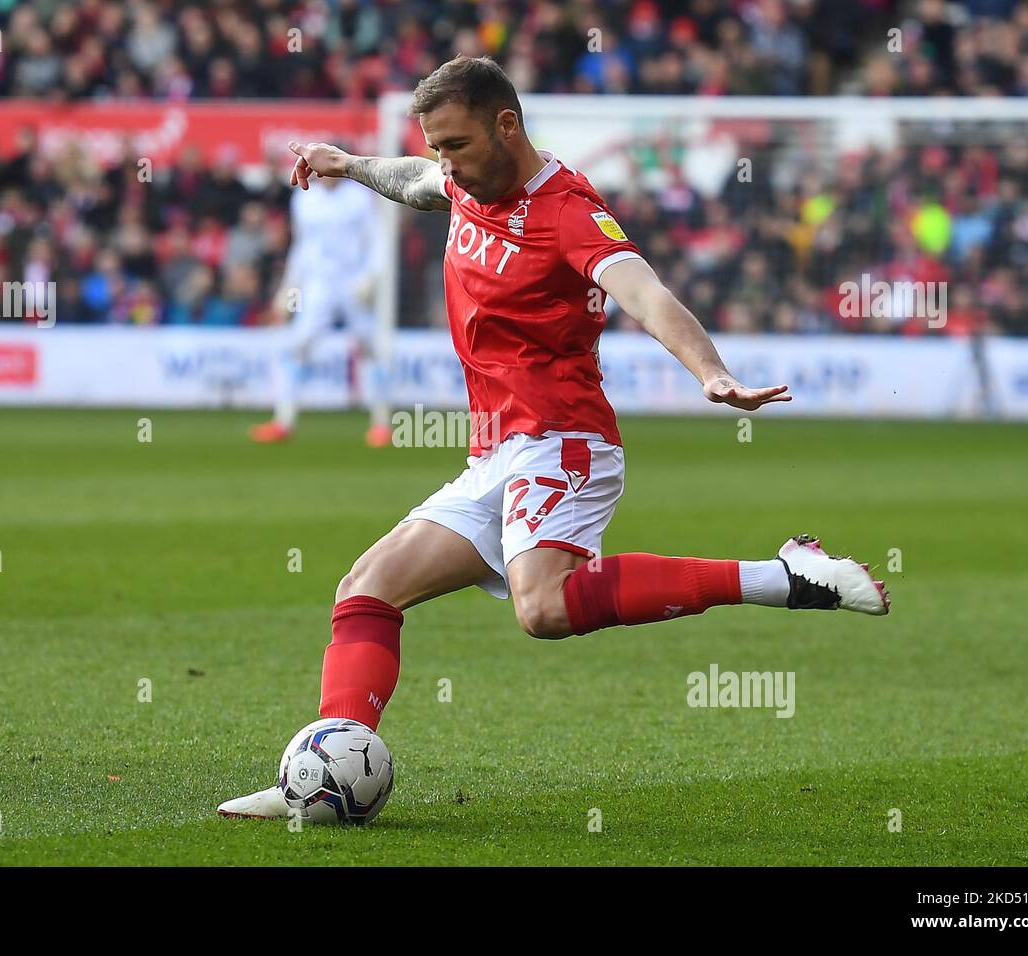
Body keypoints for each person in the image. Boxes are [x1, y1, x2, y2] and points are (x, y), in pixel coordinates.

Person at [219, 56, 888, 819]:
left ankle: (786, 577)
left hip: (564, 439)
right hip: (495, 451)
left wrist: (711, 371)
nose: (449, 163)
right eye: (439, 145)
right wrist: (348, 164)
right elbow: (414, 180)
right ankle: (323, 774)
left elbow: (646, 292)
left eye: (459, 145)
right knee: (365, 588)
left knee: (543, 610)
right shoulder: (466, 181)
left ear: (508, 125)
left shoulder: (567, 209)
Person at [249, 163, 393, 447]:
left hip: (353, 282)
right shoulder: (305, 199)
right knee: (296, 346)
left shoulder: (359, 197)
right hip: (319, 285)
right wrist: (289, 288)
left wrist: (370, 278)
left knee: (372, 348)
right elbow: (302, 248)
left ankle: (381, 423)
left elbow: (378, 240)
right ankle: (283, 421)